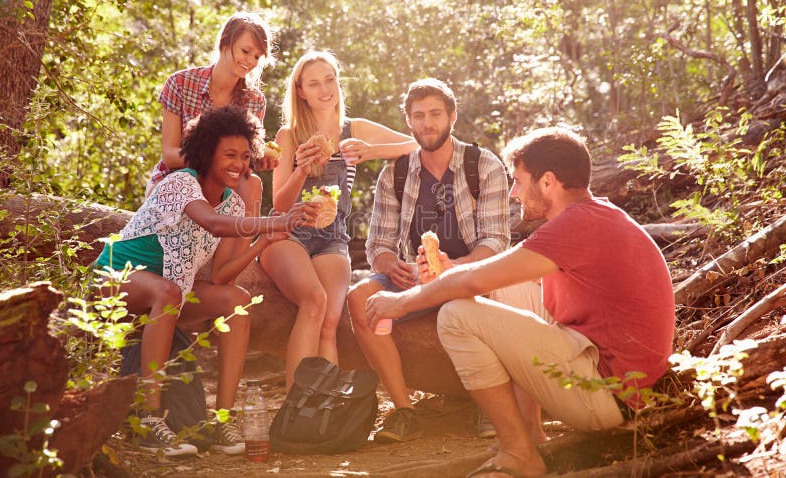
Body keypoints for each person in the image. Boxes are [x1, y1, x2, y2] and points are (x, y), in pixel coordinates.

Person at [363, 127, 675, 477]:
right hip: (620, 382)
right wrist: (448, 271)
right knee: (491, 291)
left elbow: (478, 278)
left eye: (518, 181)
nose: (514, 192)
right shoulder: (592, 216)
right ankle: (531, 432)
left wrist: (402, 302)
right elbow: (493, 274)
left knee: (455, 315)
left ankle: (519, 453)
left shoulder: (574, 227)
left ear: (548, 182)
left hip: (609, 396)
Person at [94, 106, 317, 457]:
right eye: (229, 154)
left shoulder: (233, 206)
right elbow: (211, 224)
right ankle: (150, 418)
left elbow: (221, 275)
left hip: (167, 294)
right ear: (207, 151)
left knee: (238, 300)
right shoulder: (181, 183)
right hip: (115, 282)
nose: (239, 164)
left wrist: (266, 240)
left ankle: (221, 419)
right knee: (167, 292)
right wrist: (271, 222)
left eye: (246, 156)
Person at [346, 78, 510, 443]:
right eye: (418, 116)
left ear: (452, 116)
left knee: (495, 290)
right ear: (409, 122)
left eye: (435, 114)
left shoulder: (483, 165)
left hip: (470, 272)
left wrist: (456, 269)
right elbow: (378, 246)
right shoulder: (396, 173)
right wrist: (392, 267)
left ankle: (491, 405)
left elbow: (496, 241)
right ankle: (405, 411)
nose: (427, 123)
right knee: (359, 299)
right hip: (414, 279)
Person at [259, 51, 418, 391]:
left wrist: (370, 151)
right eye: (314, 83)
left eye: (329, 79)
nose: (324, 89)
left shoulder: (353, 128)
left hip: (332, 237)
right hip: (289, 234)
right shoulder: (289, 135)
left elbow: (414, 144)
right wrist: (302, 168)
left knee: (330, 323)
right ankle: (296, 405)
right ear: (300, 91)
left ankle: (322, 412)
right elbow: (280, 204)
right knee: (314, 303)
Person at [148, 11, 277, 215]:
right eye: (246, 50)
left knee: (252, 183)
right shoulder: (180, 83)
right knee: (190, 177)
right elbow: (170, 156)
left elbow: (242, 167)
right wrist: (218, 160)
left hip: (222, 188)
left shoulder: (255, 101)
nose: (250, 61)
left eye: (257, 56)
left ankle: (242, 246)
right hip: (177, 177)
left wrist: (257, 160)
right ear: (225, 42)